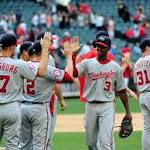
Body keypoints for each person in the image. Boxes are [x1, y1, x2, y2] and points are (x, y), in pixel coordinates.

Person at [65, 35, 132, 150]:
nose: (99, 48)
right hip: (90, 105)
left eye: (103, 46)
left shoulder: (115, 67)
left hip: (107, 105)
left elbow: (121, 91)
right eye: (98, 46)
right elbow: (75, 73)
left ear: (108, 48)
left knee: (106, 142)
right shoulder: (87, 63)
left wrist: (128, 111)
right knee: (90, 142)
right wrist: (73, 55)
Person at [0, 32, 51, 150]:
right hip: (11, 108)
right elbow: (42, 71)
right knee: (12, 146)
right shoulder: (18, 64)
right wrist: (45, 48)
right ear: (12, 46)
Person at [19, 40, 72, 150]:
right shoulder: (46, 69)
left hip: (22, 108)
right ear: (42, 52)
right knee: (40, 146)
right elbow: (67, 76)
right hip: (39, 109)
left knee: (24, 145)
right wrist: (69, 56)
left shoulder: (21, 66)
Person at [133, 38, 150, 150]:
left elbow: (136, 84)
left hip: (143, 95)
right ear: (148, 48)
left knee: (147, 128)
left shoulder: (136, 64)